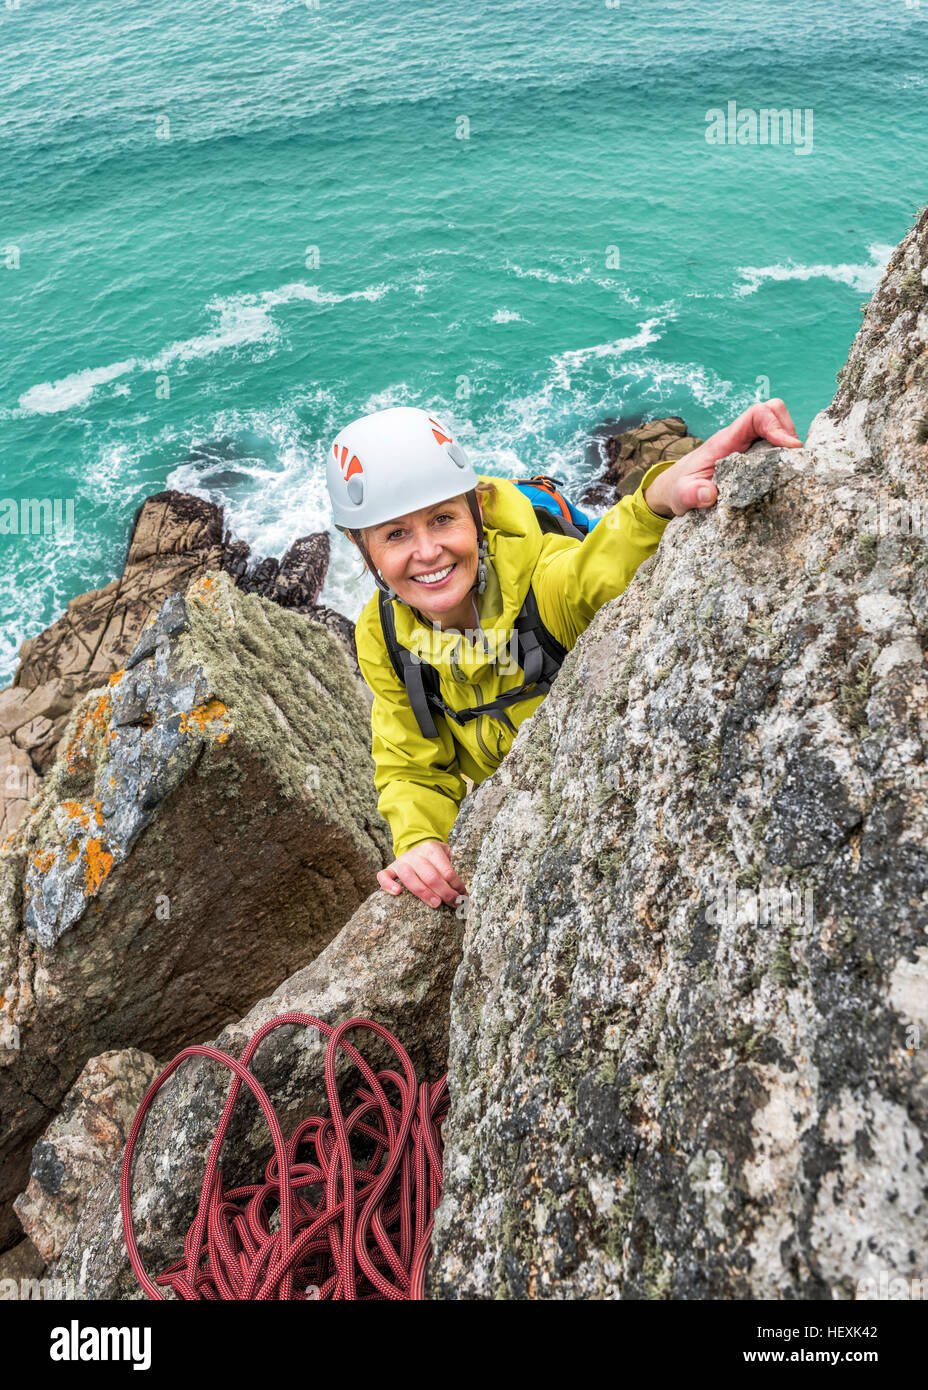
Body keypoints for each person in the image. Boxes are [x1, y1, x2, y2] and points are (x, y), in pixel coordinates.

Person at [327, 400, 802, 910]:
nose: (426, 552)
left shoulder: (543, 583)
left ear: (478, 511)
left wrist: (659, 498)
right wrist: (421, 840)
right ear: (363, 549)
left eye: (443, 519)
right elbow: (408, 760)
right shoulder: (383, 635)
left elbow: (599, 569)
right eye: (395, 533)